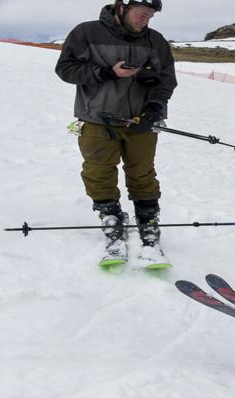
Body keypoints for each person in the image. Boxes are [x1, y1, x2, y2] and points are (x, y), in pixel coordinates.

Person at [55, 1, 177, 265]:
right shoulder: (86, 32)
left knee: (142, 172)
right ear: (122, 7)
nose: (146, 20)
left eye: (150, 16)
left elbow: (167, 78)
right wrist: (105, 73)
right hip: (97, 119)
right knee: (98, 172)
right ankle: (111, 218)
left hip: (142, 121)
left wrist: (155, 105)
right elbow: (65, 69)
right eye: (142, 14)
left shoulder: (155, 41)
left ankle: (148, 222)